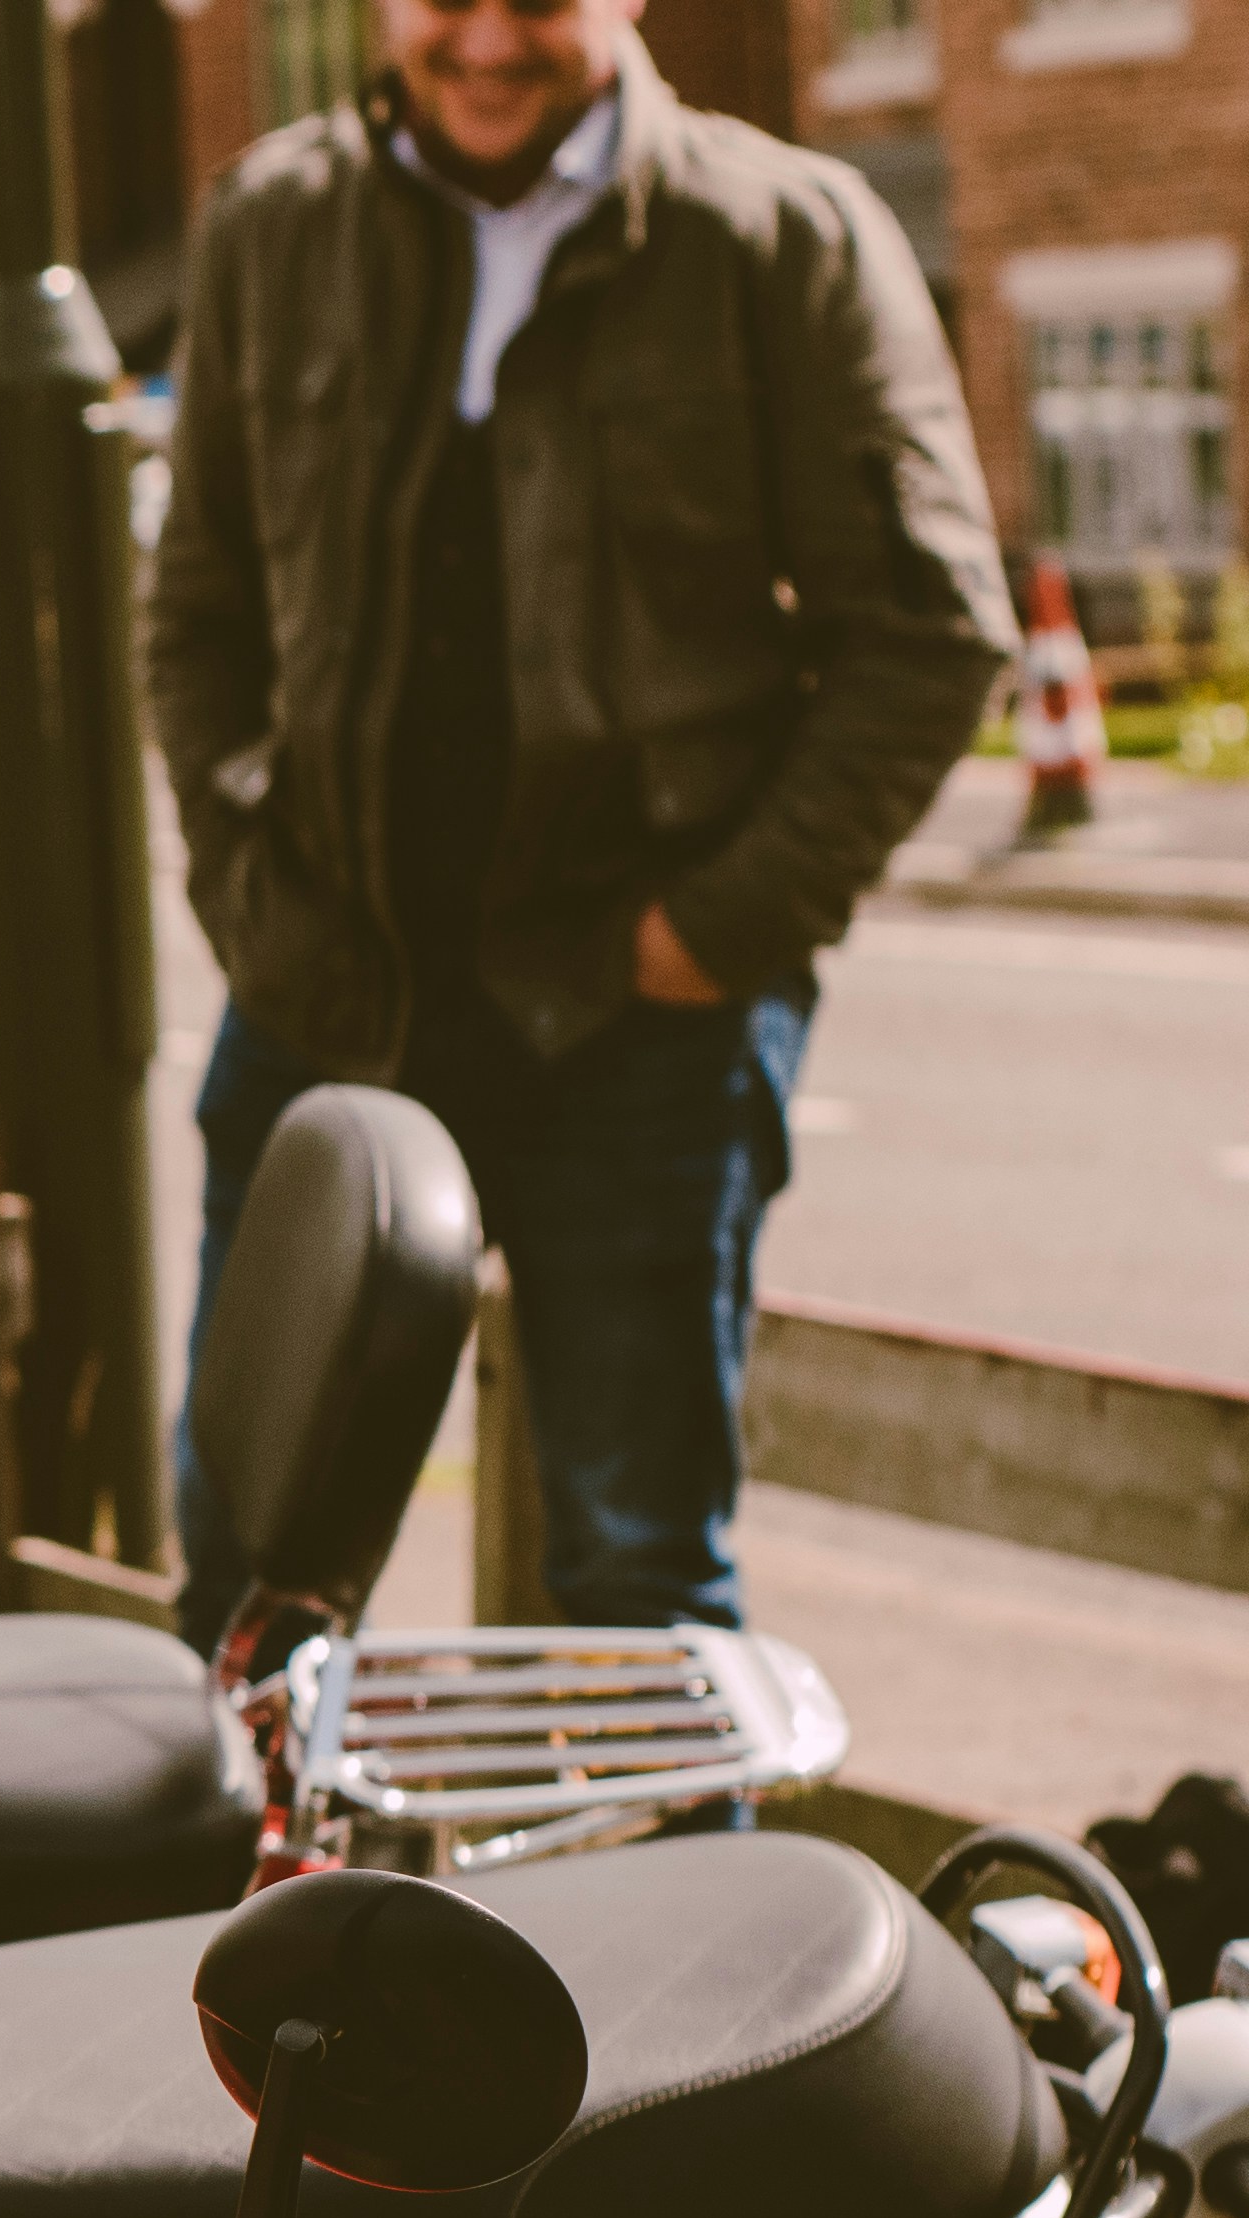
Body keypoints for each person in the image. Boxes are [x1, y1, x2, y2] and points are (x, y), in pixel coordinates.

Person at [147, 0, 1004, 1639]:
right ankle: (253, 1910)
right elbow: (195, 617)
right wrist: (252, 903)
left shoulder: (780, 239)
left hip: (642, 1032)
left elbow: (926, 630)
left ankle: (674, 1911)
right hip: (323, 1005)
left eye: (531, 1)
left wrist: (717, 931)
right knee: (246, 1580)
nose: (481, 41)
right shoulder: (271, 227)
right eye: (440, 1)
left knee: (639, 1590)